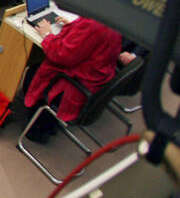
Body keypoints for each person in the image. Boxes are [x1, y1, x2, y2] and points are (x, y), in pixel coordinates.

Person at [22, 15, 123, 143]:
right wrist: (72, 27)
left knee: (33, 73)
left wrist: (47, 34)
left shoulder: (94, 24)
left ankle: (38, 129)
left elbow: (61, 55)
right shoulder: (113, 19)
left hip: (76, 87)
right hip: (94, 82)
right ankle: (46, 121)